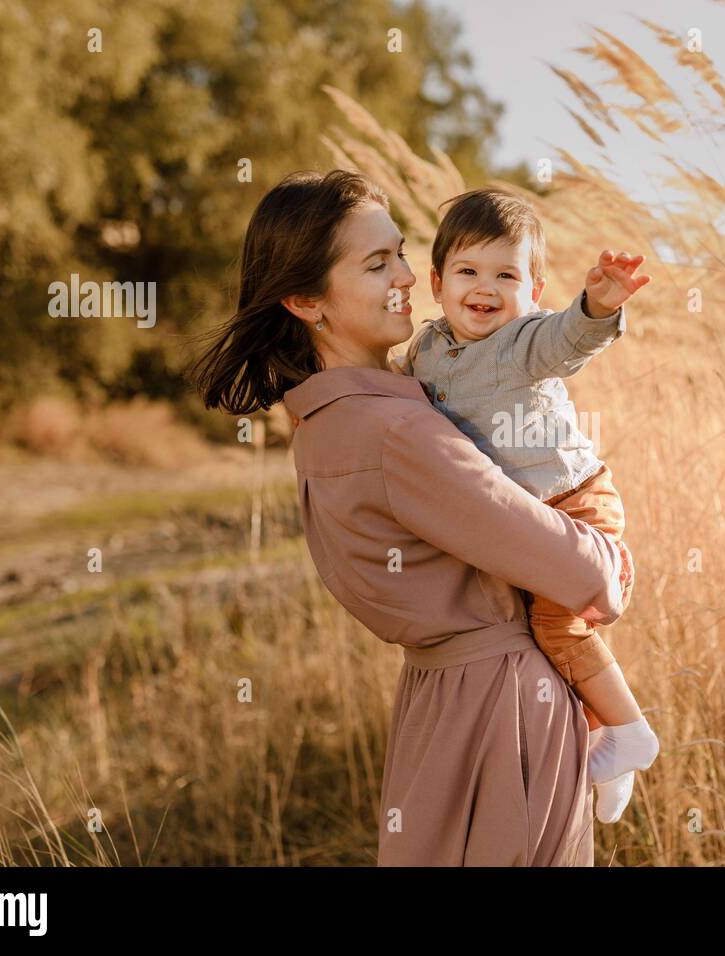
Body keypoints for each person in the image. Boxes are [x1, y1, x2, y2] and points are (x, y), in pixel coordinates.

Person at [189, 169, 633, 865]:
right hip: (506, 709)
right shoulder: (396, 431)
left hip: (438, 704)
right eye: (376, 263)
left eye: (399, 252)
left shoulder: (322, 421)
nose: (404, 275)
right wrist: (607, 552)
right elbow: (587, 576)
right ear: (306, 299)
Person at [391, 188, 659, 822]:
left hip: (573, 502)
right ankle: (597, 741)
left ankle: (629, 730)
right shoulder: (424, 353)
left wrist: (598, 303)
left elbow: (571, 338)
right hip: (520, 521)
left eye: (506, 275)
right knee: (532, 641)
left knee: (557, 627)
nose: (485, 289)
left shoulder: (524, 342)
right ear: (437, 281)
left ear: (533, 290)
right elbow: (393, 401)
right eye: (468, 271)